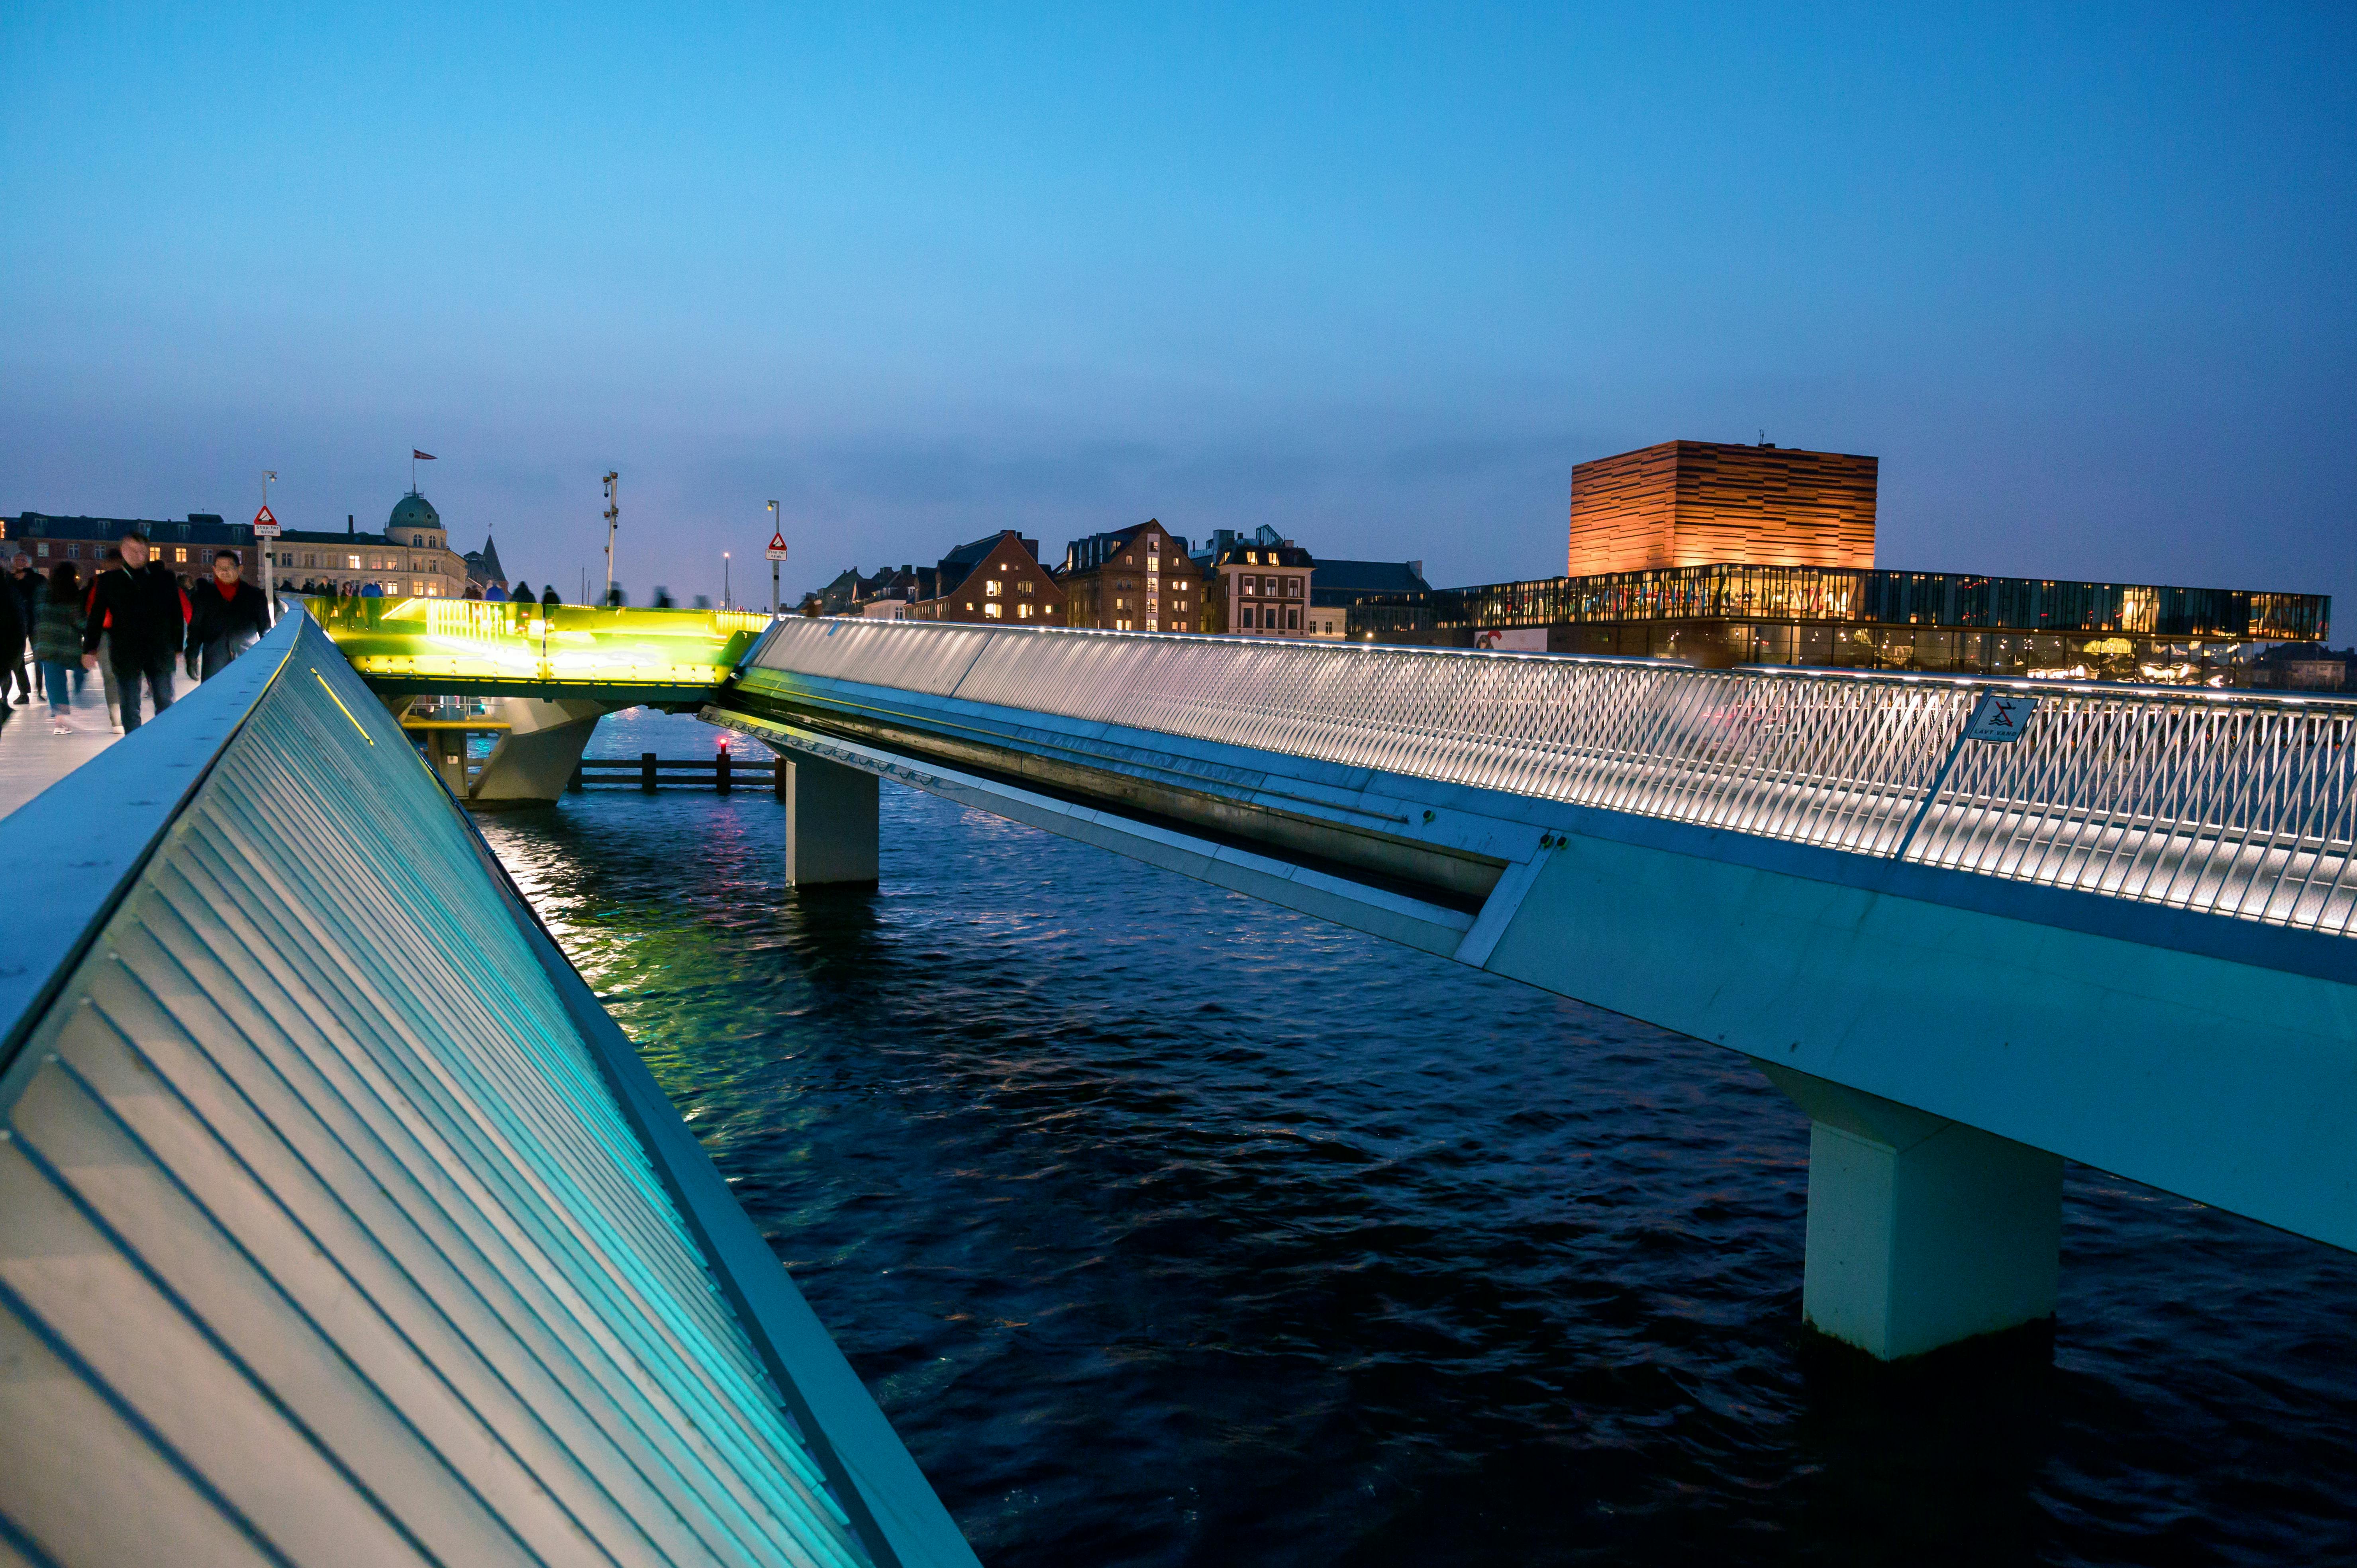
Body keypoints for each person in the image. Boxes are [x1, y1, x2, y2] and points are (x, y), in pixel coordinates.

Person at [81, 532, 188, 733]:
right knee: (129, 705)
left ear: (148, 552)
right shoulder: (109, 581)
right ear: (122, 551)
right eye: (131, 550)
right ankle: (134, 747)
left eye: (141, 551)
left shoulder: (164, 578)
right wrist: (90, 649)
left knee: (165, 700)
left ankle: (165, 740)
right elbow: (96, 617)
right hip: (126, 651)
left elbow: (176, 613)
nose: (137, 555)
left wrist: (178, 647)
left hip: (160, 650)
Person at [186, 550, 273, 680]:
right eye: (220, 568)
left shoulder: (255, 596)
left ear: (240, 569)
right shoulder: (203, 597)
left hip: (246, 659)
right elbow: (196, 630)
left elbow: (265, 629)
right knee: (215, 698)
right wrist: (191, 657)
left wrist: (270, 657)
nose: (225, 571)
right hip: (215, 663)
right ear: (214, 570)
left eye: (229, 567)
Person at [31, 562, 85, 733]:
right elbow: (79, 621)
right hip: (68, 645)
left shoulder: (42, 592)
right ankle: (79, 686)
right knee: (80, 666)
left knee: (55, 682)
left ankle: (59, 723)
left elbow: (37, 612)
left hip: (46, 644)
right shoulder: (73, 594)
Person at [8, 553, 41, 706]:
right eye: (17, 560)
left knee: (39, 656)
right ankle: (24, 691)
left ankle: (40, 689)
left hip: (35, 622)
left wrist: (25, 579)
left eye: (23, 560)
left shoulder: (37, 579)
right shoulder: (8, 579)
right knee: (17, 658)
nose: (20, 562)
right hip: (15, 623)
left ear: (28, 563)